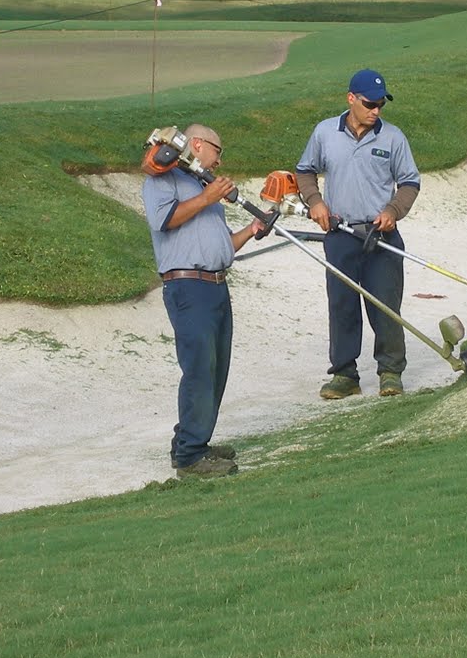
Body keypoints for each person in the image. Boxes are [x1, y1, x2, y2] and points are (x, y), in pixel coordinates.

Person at [142, 125, 269, 477]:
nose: (220, 157)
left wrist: (252, 230)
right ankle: (190, 457)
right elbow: (163, 220)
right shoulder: (163, 179)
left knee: (215, 369)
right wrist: (209, 197)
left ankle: (191, 439)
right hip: (187, 287)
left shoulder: (201, 184)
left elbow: (223, 245)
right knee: (198, 369)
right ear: (196, 144)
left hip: (216, 284)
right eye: (217, 149)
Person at [295, 69, 420, 399]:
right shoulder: (325, 133)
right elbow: (305, 171)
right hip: (340, 234)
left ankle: (390, 371)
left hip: (380, 236)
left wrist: (393, 211)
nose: (376, 110)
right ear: (351, 98)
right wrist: (315, 201)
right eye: (369, 103)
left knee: (385, 305)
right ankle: (344, 374)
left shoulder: (393, 138)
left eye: (380, 104)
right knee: (342, 305)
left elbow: (409, 182)